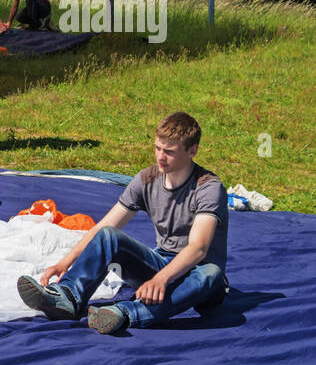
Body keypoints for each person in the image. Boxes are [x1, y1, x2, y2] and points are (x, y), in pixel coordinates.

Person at [16, 111, 228, 334]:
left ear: (192, 151)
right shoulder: (147, 179)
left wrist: (162, 279)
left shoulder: (208, 187)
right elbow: (103, 227)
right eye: (157, 148)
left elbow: (198, 248)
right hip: (161, 262)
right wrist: (65, 263)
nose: (160, 157)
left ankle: (126, 313)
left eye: (169, 152)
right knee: (108, 236)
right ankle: (68, 298)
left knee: (211, 273)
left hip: (199, 276)